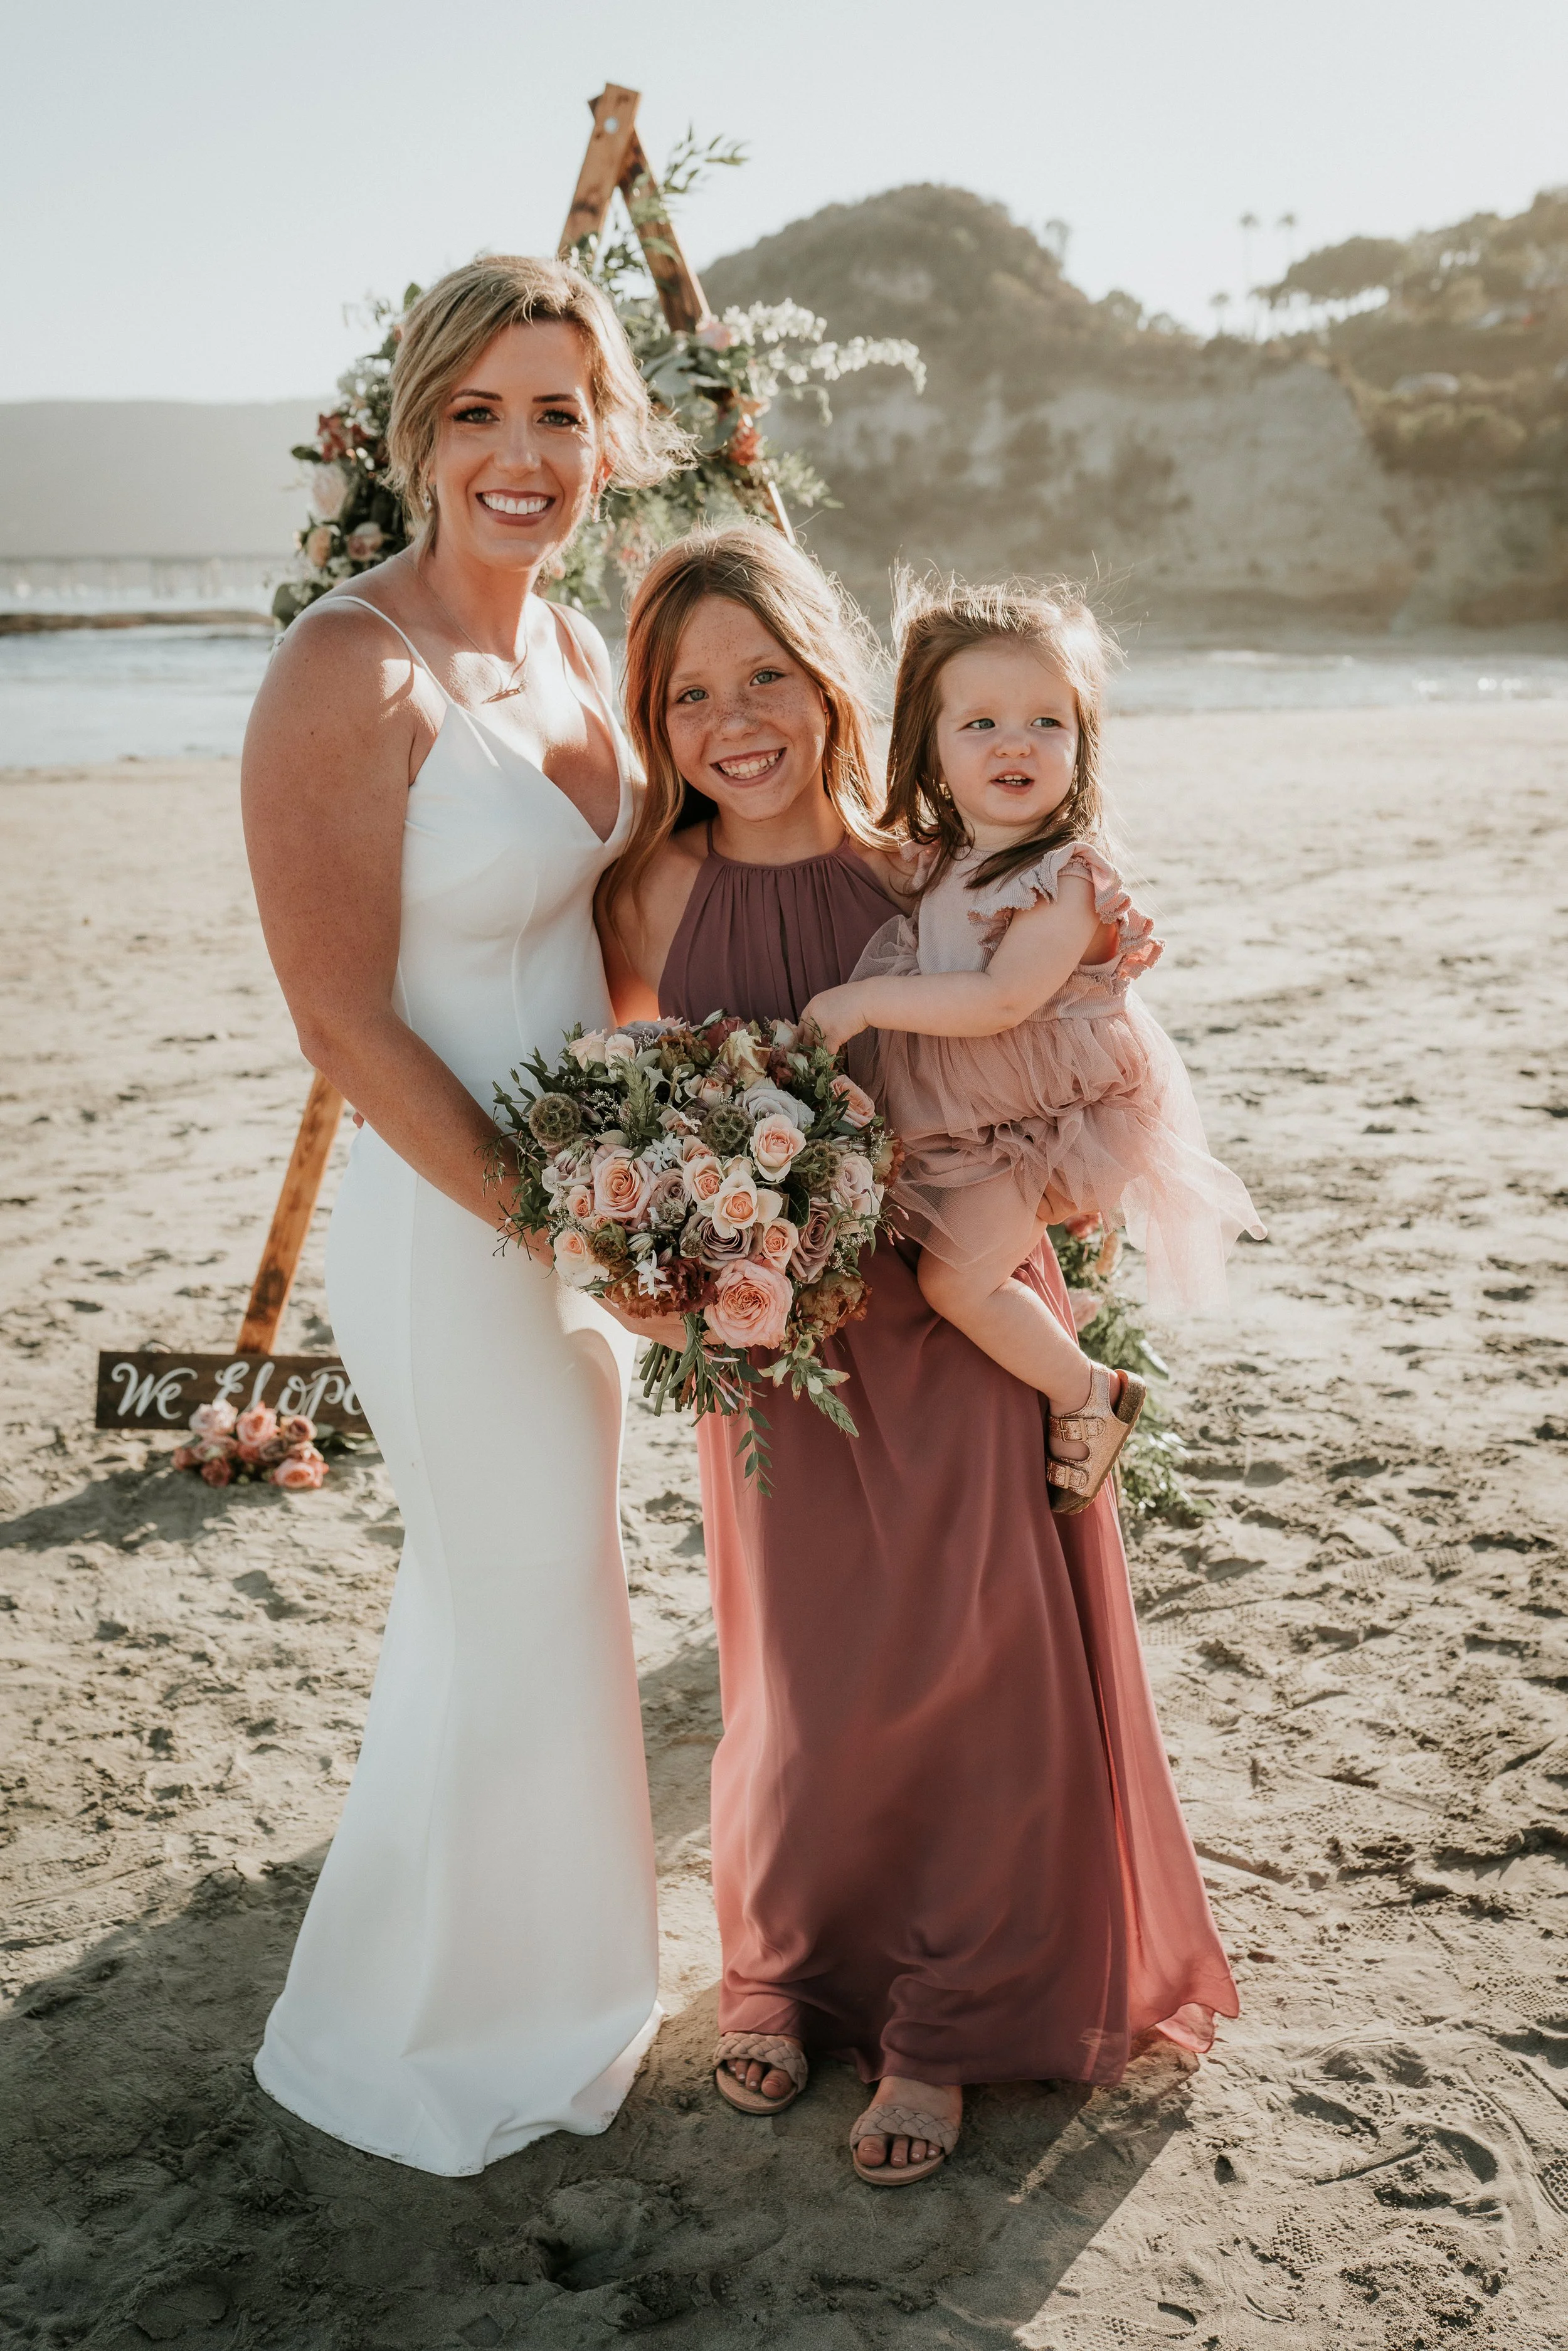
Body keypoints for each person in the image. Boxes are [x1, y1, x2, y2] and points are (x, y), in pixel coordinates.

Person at [599, 526, 1239, 2187]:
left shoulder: (916, 867)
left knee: (968, 1664)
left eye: (764, 677)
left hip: (946, 1305)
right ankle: (787, 1973)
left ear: (827, 687)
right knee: (797, 1680)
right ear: (652, 723)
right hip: (771, 1344)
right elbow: (620, 1111)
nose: (733, 719)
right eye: (687, 695)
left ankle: (947, 2024)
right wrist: (660, 1274)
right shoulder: (646, 890)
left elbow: (1062, 1003)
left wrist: (1107, 967)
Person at [240, 255, 689, 2175]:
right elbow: (344, 1015)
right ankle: (439, 2033)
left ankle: (548, 1977)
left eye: (561, 413)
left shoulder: (584, 648)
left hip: (593, 1202)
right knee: (518, 1596)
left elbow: (622, 929)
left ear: (610, 440)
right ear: (413, 429)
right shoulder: (347, 669)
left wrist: (689, 1163)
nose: (523, 454)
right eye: (482, 413)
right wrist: (553, 1221)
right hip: (456, 1224)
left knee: (540, 1588)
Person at [800, 576, 1265, 1514]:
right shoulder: (946, 853)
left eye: (1047, 722)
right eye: (980, 724)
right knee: (934, 1266)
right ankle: (1067, 1329)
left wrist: (857, 1003)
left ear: (1082, 743)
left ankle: (1089, 1391)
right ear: (929, 746)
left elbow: (1002, 1000)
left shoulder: (1067, 878)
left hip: (1042, 1111)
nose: (1016, 742)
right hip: (969, 1110)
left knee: (955, 1283)